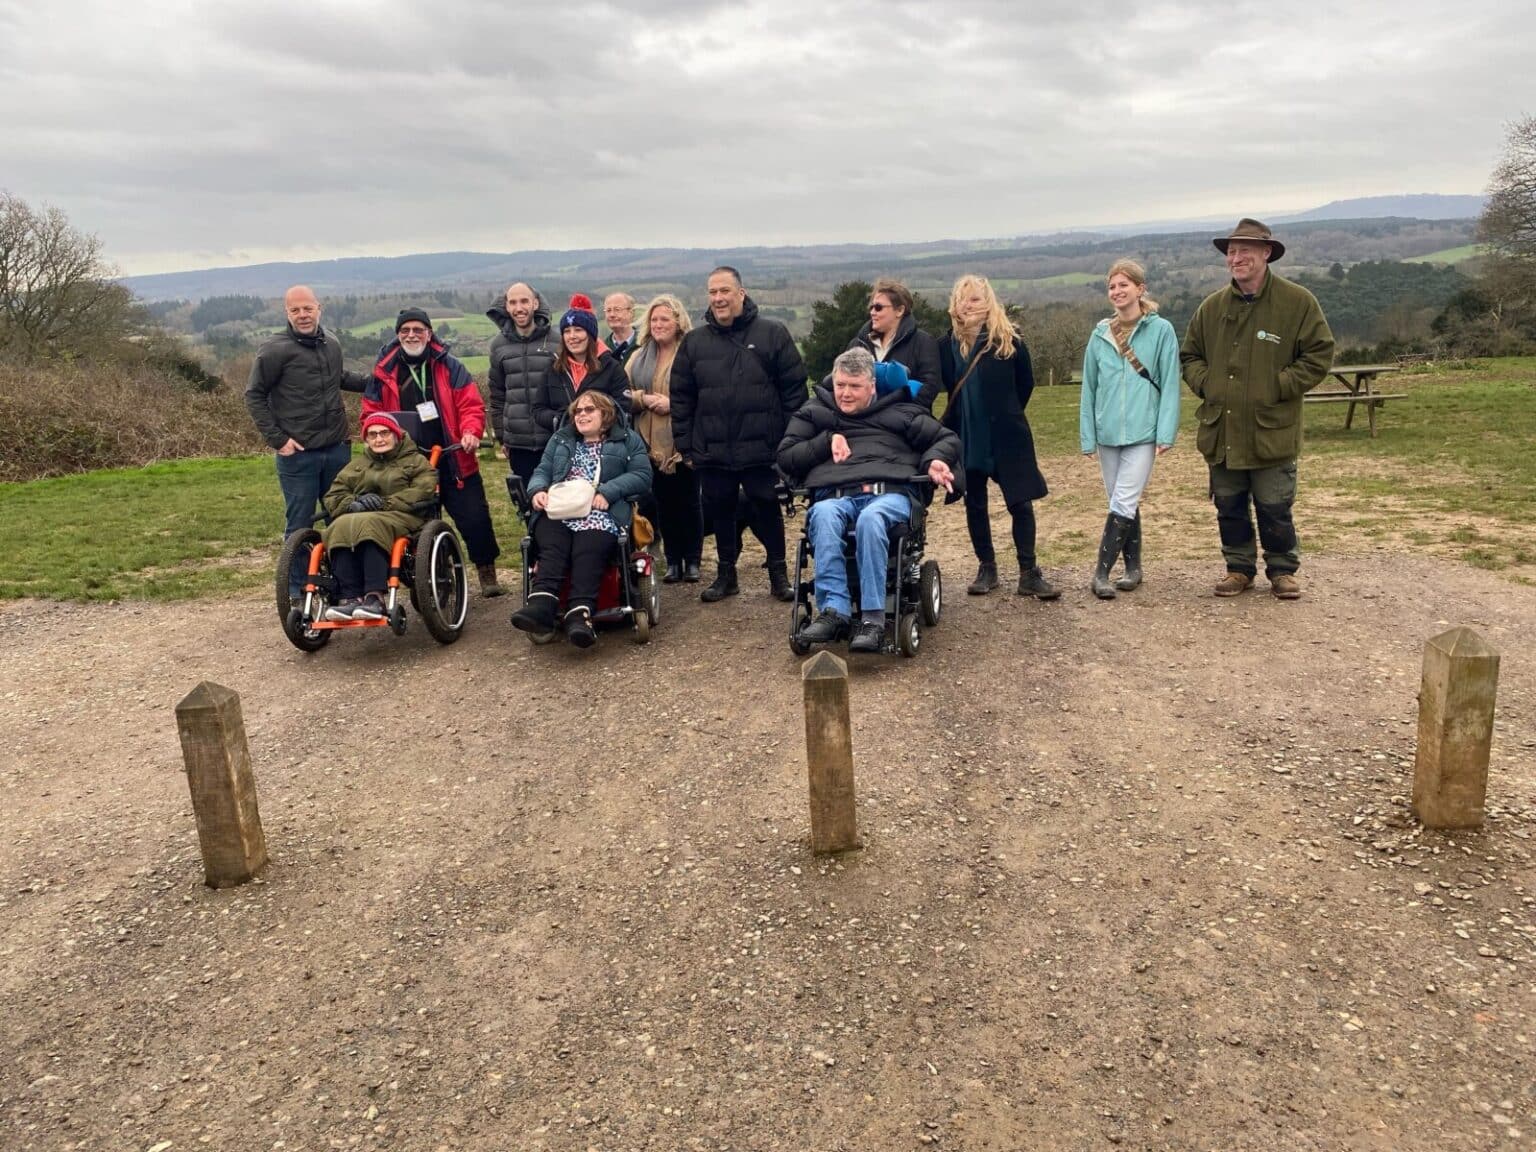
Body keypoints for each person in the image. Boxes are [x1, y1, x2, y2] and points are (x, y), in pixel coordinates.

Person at [1181, 218, 1335, 600]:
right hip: (1223, 428)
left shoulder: (1297, 303)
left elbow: (1319, 354)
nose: (1237, 258)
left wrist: (1279, 386)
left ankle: (1282, 570)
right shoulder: (1211, 308)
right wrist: (1209, 384)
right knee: (1229, 505)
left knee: (1274, 506)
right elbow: (1190, 356)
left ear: (1267, 253)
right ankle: (1238, 569)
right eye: (1232, 251)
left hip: (1271, 429)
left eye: (1245, 250)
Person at [777, 348, 960, 652]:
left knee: (871, 520)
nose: (845, 394)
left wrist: (934, 461)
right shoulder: (815, 413)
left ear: (872, 386)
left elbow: (946, 439)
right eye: (840, 386)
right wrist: (826, 441)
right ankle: (834, 610)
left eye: (855, 386)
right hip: (835, 496)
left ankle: (873, 619)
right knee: (822, 515)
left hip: (889, 495)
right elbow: (786, 455)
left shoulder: (902, 412)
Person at [671, 265, 807, 603]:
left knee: (766, 508)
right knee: (721, 511)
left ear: (741, 293)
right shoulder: (694, 342)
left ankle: (779, 575)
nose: (718, 298)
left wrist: (791, 442)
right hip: (713, 448)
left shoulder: (772, 334)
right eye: (713, 292)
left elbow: (795, 394)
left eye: (725, 291)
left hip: (764, 447)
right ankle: (726, 576)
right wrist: (686, 445)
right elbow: (681, 397)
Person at [364, 308, 504, 598]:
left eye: (418, 330)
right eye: (405, 330)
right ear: (397, 335)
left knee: (474, 517)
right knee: (416, 522)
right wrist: (378, 437)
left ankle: (486, 568)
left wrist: (470, 432)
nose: (411, 335)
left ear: (429, 334)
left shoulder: (450, 366)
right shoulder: (383, 372)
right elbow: (371, 412)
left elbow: (471, 405)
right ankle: (430, 576)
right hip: (406, 461)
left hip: (453, 456)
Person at [939, 274, 1059, 600]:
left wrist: (1008, 414)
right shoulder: (947, 344)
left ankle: (1028, 572)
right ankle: (987, 567)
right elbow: (947, 386)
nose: (968, 305)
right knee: (975, 503)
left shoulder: (1010, 339)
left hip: (1007, 435)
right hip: (968, 434)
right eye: (963, 299)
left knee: (1020, 503)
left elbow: (1026, 384)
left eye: (975, 299)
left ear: (988, 301)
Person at [511, 392, 653, 648]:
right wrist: (538, 491)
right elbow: (542, 470)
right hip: (561, 507)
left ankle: (580, 613)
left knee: (588, 546)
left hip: (601, 509)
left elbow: (643, 475)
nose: (582, 415)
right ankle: (542, 603)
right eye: (578, 411)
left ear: (606, 415)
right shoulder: (561, 439)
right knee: (551, 542)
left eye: (589, 410)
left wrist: (608, 492)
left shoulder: (627, 440)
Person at [1079, 260, 1182, 599]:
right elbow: (1089, 389)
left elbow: (1169, 383)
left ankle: (1101, 573)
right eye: (1112, 286)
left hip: (1144, 432)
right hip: (1107, 433)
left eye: (1124, 284)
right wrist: (1088, 436)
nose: (1117, 291)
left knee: (1123, 500)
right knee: (1122, 500)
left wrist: (1166, 432)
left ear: (1141, 288)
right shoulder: (1099, 335)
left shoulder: (1161, 330)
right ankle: (1134, 568)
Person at [245, 285, 370, 543]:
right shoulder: (274, 349)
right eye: (295, 310)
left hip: (336, 448)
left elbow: (339, 378)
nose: (303, 314)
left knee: (341, 518)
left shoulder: (331, 342)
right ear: (287, 313)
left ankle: (342, 580)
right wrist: (278, 440)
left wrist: (377, 381)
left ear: (319, 309)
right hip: (298, 452)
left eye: (308, 308)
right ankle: (297, 584)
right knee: (300, 526)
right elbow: (254, 395)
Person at [318, 412, 437, 620]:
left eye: (384, 433)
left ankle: (375, 597)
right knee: (338, 526)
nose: (379, 439)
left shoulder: (415, 460)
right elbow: (334, 494)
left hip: (403, 516)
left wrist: (385, 503)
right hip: (361, 515)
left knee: (369, 523)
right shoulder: (358, 465)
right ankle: (351, 598)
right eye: (372, 435)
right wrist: (352, 504)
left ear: (396, 434)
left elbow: (423, 490)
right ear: (366, 439)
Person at [626, 294, 703, 583]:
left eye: (664, 319)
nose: (659, 324)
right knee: (663, 503)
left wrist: (673, 405)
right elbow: (623, 394)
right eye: (654, 319)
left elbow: (703, 393)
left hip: (684, 440)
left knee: (689, 502)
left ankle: (693, 560)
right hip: (649, 444)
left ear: (678, 321)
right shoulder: (638, 356)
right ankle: (673, 561)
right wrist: (643, 399)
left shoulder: (691, 352)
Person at [487, 282, 561, 482]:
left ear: (535, 304)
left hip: (554, 438)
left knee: (559, 502)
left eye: (524, 301)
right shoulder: (498, 345)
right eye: (513, 302)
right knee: (528, 504)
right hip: (518, 443)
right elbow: (497, 395)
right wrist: (503, 437)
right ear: (506, 307)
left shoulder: (557, 341)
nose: (519, 308)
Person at [846, 278, 943, 411]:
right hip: (862, 424)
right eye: (872, 307)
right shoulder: (857, 344)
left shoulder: (924, 343)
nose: (872, 312)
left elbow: (928, 391)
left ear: (899, 310)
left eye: (879, 307)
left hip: (904, 425)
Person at [534, 308, 632, 434]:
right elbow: (538, 409)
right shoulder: (553, 368)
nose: (572, 336)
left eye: (578, 330)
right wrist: (558, 420)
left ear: (591, 335)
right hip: (563, 444)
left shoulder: (611, 368)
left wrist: (591, 422)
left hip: (602, 444)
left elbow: (623, 408)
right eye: (567, 331)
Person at [604, 292, 640, 366]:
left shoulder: (645, 343)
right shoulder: (602, 350)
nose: (612, 315)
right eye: (608, 310)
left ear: (631, 313)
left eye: (617, 309)